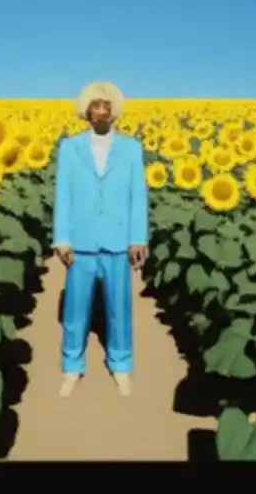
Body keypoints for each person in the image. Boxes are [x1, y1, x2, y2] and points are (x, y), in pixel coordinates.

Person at [50, 81, 149, 398]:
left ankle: (121, 366)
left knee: (119, 309)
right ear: (88, 112)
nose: (102, 111)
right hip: (80, 242)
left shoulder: (132, 149)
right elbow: (63, 194)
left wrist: (137, 238)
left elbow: (138, 197)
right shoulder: (70, 148)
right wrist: (61, 237)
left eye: (107, 106)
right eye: (96, 106)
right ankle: (71, 367)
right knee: (75, 311)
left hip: (118, 241)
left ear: (114, 111)